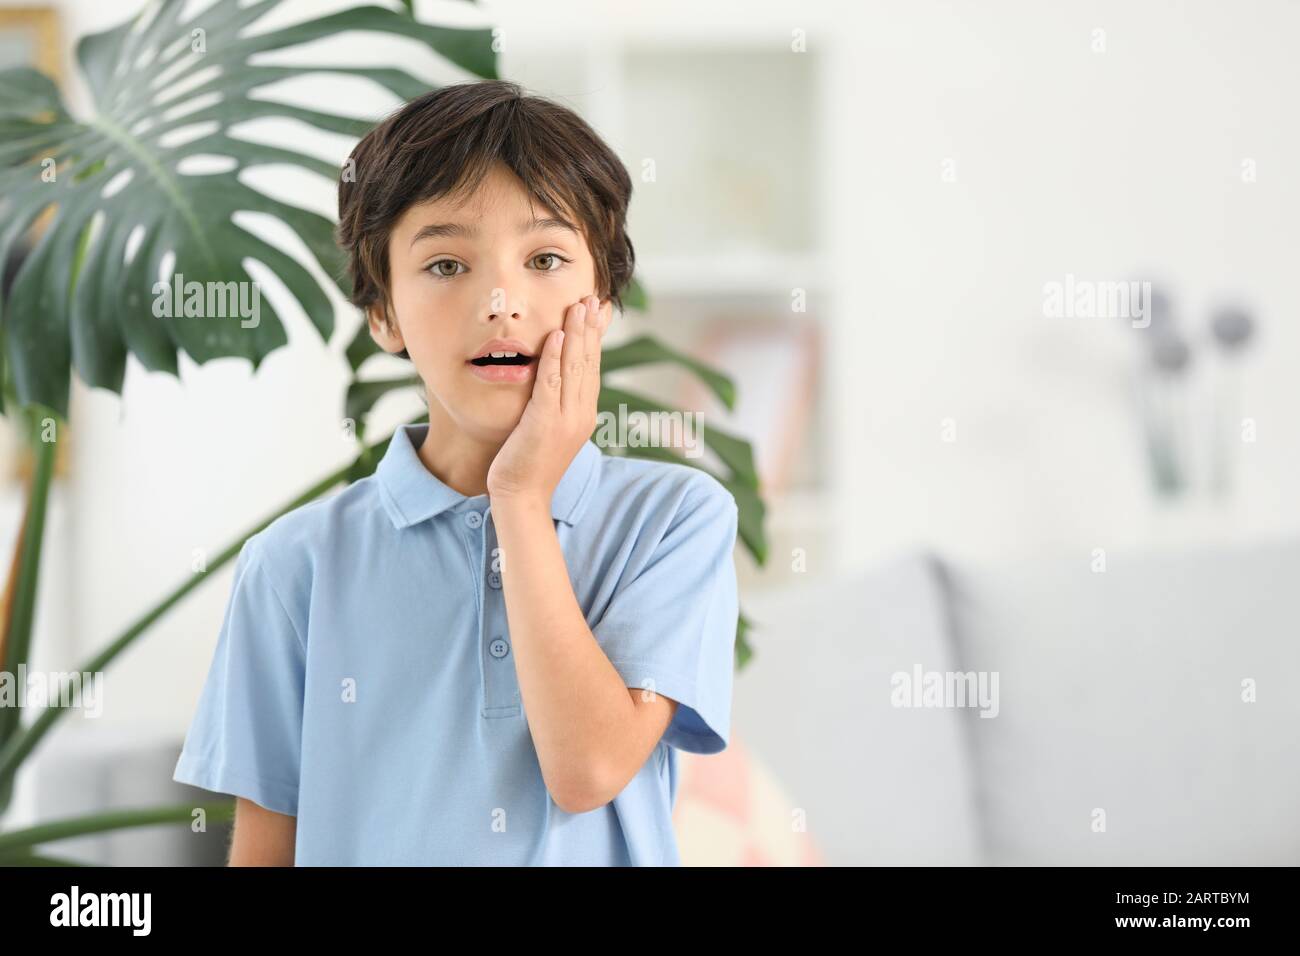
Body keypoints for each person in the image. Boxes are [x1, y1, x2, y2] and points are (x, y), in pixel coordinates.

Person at [172, 79, 740, 866]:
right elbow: (267, 846)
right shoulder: (293, 565)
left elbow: (590, 769)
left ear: (601, 303)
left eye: (544, 258)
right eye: (446, 264)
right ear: (385, 315)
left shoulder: (673, 519)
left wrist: (520, 495)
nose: (501, 300)